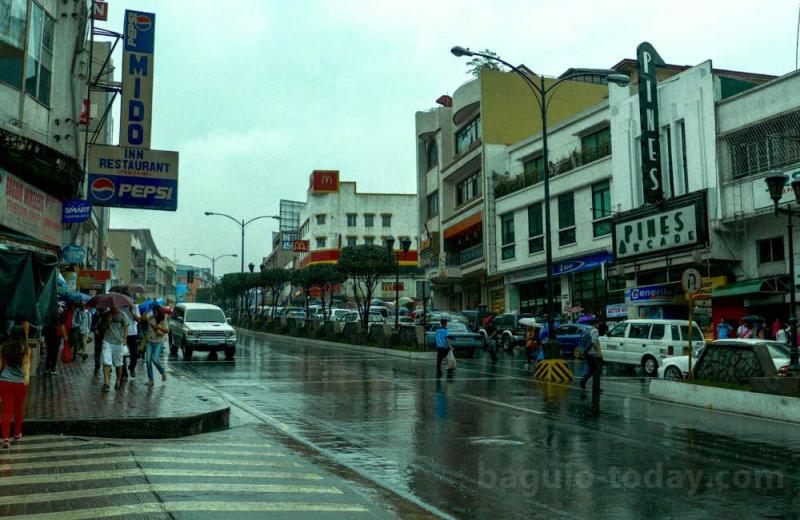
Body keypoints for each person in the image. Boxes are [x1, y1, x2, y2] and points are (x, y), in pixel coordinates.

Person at [0, 326, 31, 448]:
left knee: (6, 411)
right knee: (18, 408)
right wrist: (27, 378)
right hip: (19, 382)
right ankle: (17, 433)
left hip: (4, 381)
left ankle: (6, 438)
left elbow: (0, 365)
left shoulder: (3, 347)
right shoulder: (26, 348)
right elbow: (26, 364)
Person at [101, 307, 128, 391]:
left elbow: (126, 327)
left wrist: (124, 338)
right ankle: (106, 383)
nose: (115, 307)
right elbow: (102, 327)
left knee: (119, 363)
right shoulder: (106, 314)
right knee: (106, 361)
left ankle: (118, 380)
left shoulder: (123, 315)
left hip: (118, 342)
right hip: (107, 340)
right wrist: (107, 321)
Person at [145, 307, 169, 386]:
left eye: (156, 312)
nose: (154, 313)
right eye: (153, 311)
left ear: (159, 312)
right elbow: (141, 319)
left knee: (155, 359)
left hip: (158, 341)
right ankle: (150, 379)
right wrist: (145, 311)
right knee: (148, 360)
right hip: (149, 341)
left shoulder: (163, 319)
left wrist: (158, 327)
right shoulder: (150, 318)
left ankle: (162, 372)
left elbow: (167, 330)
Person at [579, 318, 603, 392]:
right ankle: (596, 389)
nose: (599, 325)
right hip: (593, 354)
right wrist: (599, 352)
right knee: (596, 371)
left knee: (591, 369)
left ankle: (584, 379)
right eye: (598, 323)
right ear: (595, 324)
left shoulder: (586, 329)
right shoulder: (595, 330)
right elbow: (594, 341)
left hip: (587, 353)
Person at [121, 305, 141, 379]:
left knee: (135, 353)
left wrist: (132, 312)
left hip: (133, 333)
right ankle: (124, 372)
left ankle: (131, 367)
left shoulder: (135, 307)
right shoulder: (119, 307)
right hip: (122, 333)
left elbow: (138, 320)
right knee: (122, 354)